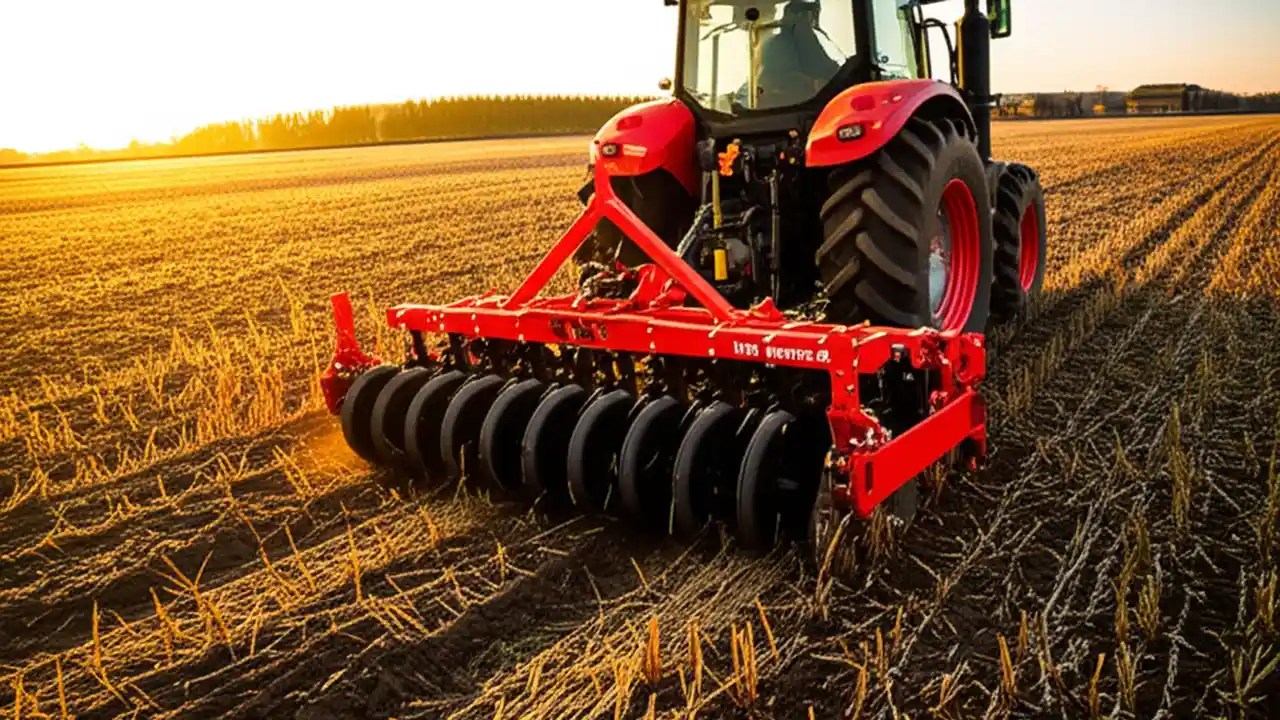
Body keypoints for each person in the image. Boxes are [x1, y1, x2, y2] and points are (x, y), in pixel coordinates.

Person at [753, 0, 840, 108]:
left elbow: (827, 68)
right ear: (789, 16)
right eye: (802, 14)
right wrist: (812, 84)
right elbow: (775, 79)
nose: (807, 20)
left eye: (808, 15)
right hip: (785, 113)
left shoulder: (809, 43)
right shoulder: (776, 45)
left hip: (817, 107)